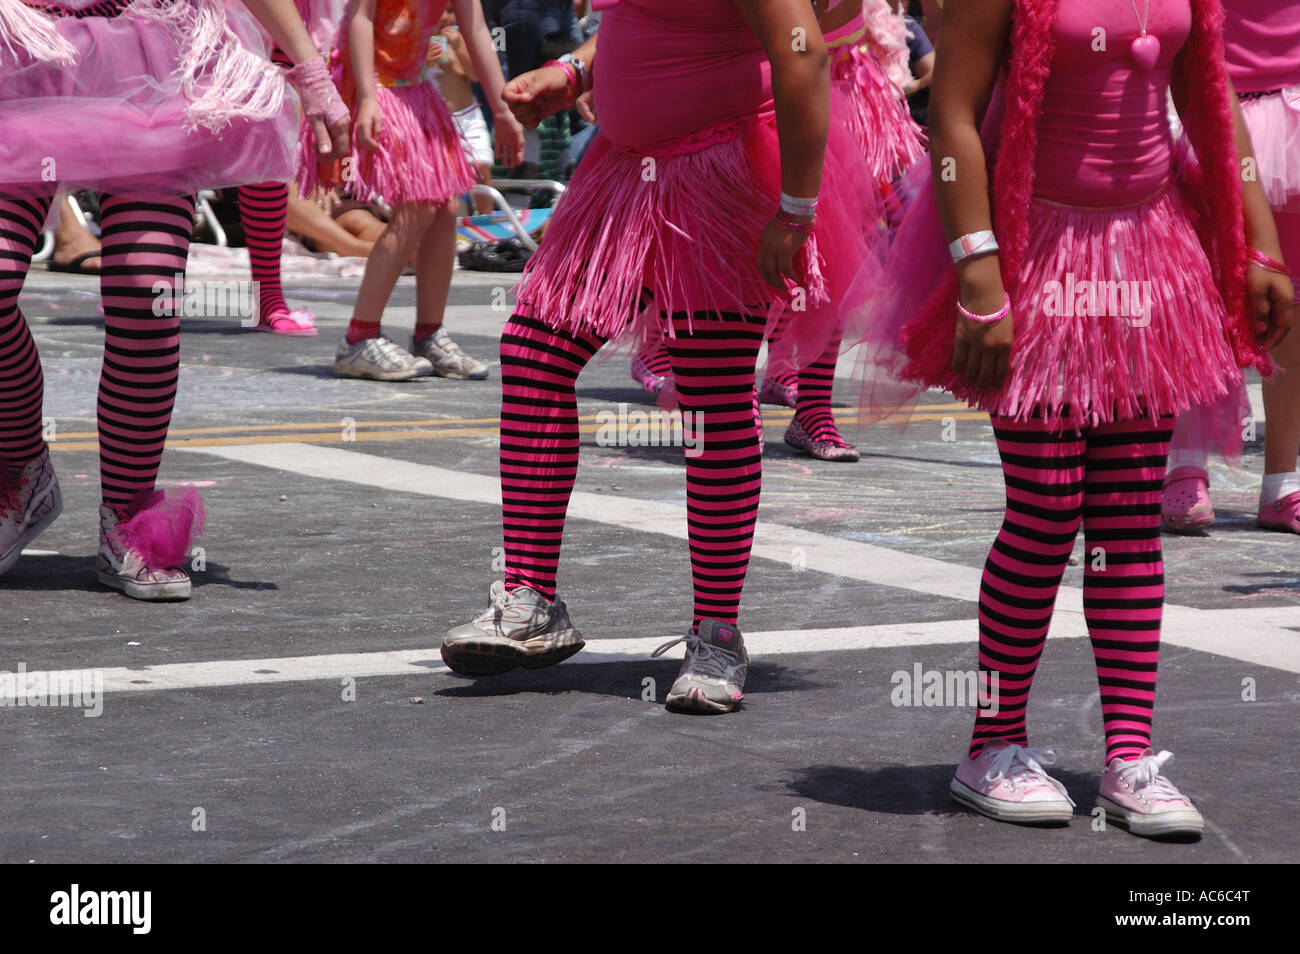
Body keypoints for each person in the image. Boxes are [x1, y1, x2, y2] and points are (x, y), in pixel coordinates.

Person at [868, 0, 1292, 836]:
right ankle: (991, 747)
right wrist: (979, 271)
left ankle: (1130, 760)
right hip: (1036, 255)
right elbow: (951, 114)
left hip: (1149, 256)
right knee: (1047, 508)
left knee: (1129, 521)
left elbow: (1211, 95)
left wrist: (1260, 245)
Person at [440, 0, 880, 713]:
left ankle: (716, 636)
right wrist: (573, 69)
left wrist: (796, 212)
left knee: (710, 390)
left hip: (721, 169)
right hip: (624, 167)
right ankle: (529, 599)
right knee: (533, 351)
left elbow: (803, 54)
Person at [0, 0, 349, 599]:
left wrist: (313, 74)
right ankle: (22, 470)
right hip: (24, 47)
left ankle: (128, 517)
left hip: (152, 53)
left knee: (147, 290)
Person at [303, 0, 524, 382]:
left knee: (447, 205)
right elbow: (360, 17)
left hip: (415, 87)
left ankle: (429, 333)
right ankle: (359, 338)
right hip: (371, 84)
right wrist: (368, 98)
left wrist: (503, 110)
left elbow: (476, 31)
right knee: (419, 205)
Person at [1162, 0, 1300, 534]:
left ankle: (1283, 480)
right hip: (1207, 108)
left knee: (1290, 300)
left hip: (1292, 116)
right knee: (1196, 298)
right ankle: (1186, 466)